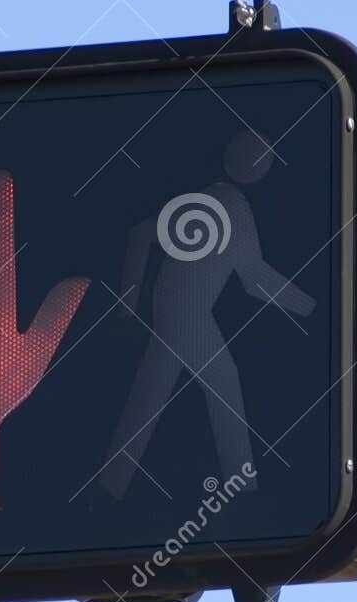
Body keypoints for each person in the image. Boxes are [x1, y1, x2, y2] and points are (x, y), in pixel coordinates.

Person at [100, 129, 316, 498]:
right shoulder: (229, 204)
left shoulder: (211, 199)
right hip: (188, 312)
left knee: (152, 391)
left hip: (171, 308)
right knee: (223, 384)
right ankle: (243, 489)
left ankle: (108, 486)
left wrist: (130, 305)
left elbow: (140, 236)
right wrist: (309, 307)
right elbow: (253, 277)